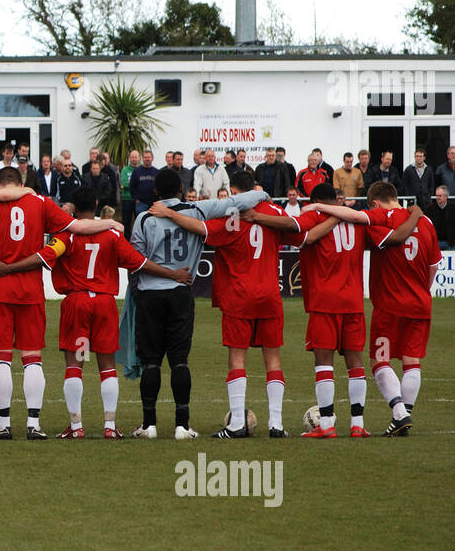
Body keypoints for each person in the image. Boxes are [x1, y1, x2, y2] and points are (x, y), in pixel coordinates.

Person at [0, 166, 121, 439]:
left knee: (1, 360)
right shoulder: (41, 203)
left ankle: (3, 425)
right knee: (32, 359)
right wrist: (110, 223)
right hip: (31, 292)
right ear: (21, 182)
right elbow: (77, 226)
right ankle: (34, 425)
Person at [0, 187, 150, 439]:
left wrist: (8, 268)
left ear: (72, 208)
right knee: (107, 366)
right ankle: (109, 427)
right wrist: (172, 273)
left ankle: (76, 427)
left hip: (78, 305)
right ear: (97, 203)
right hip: (104, 305)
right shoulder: (112, 234)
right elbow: (137, 261)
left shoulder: (66, 235)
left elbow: (43, 257)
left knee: (75, 364)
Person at [127, 170, 268, 439]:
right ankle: (182, 425)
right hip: (180, 293)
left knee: (151, 363)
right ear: (181, 188)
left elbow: (137, 262)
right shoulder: (198, 210)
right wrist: (262, 193)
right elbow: (236, 203)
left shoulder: (144, 219)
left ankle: (149, 425)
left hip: (150, 296)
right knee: (180, 362)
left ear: (156, 192)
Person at [241, 182, 382, 439]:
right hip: (353, 301)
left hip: (324, 301)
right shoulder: (357, 220)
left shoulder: (315, 215)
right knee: (355, 363)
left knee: (324, 363)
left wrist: (257, 217)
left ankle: (327, 425)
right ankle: (357, 424)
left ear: (315, 200)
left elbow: (293, 227)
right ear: (336, 199)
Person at [158, 170, 289, 438]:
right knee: (273, 360)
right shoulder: (275, 212)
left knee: (237, 359)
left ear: (236, 192)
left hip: (239, 297)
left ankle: (237, 423)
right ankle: (276, 425)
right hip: (270, 295)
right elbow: (297, 233)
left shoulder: (233, 213)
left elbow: (201, 228)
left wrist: (171, 214)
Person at [310, 183, 439, 436]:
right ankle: (402, 419)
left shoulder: (384, 217)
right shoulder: (428, 223)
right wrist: (421, 290)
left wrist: (318, 206)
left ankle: (400, 413)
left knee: (379, 360)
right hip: (421, 302)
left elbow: (355, 216)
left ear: (376, 203)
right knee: (411, 361)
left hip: (390, 304)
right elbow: (434, 266)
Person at [424, 185, 455, 250]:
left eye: (440, 196)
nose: (438, 198)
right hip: (435, 242)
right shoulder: (429, 209)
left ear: (446, 196)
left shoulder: (454, 208)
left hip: (450, 243)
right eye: (437, 195)